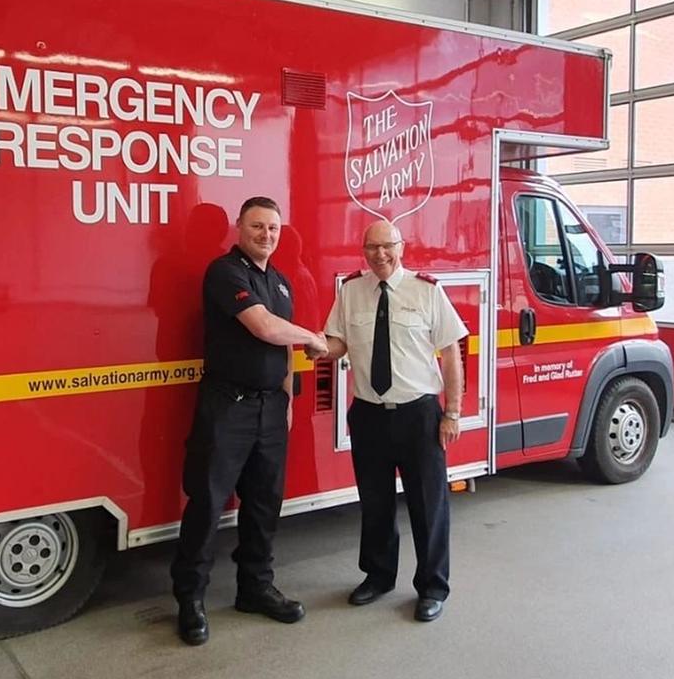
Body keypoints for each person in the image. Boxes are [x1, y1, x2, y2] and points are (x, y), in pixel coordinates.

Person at [170, 197, 330, 646]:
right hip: (227, 407)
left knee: (264, 504)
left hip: (269, 410)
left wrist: (287, 401)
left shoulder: (280, 281)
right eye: (258, 226)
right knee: (207, 504)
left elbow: (280, 348)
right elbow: (264, 328)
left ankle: (255, 588)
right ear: (240, 227)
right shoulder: (225, 272)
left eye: (274, 228)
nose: (267, 235)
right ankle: (190, 600)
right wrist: (313, 339)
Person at [321, 220, 467, 622]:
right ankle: (379, 575)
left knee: (428, 504)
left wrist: (451, 412)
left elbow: (451, 352)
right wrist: (317, 345)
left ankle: (433, 587)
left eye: (387, 246)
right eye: (371, 248)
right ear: (363, 251)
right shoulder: (350, 292)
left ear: (402, 247)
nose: (380, 255)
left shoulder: (427, 291)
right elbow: (338, 342)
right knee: (375, 502)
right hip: (369, 415)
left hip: (418, 414)